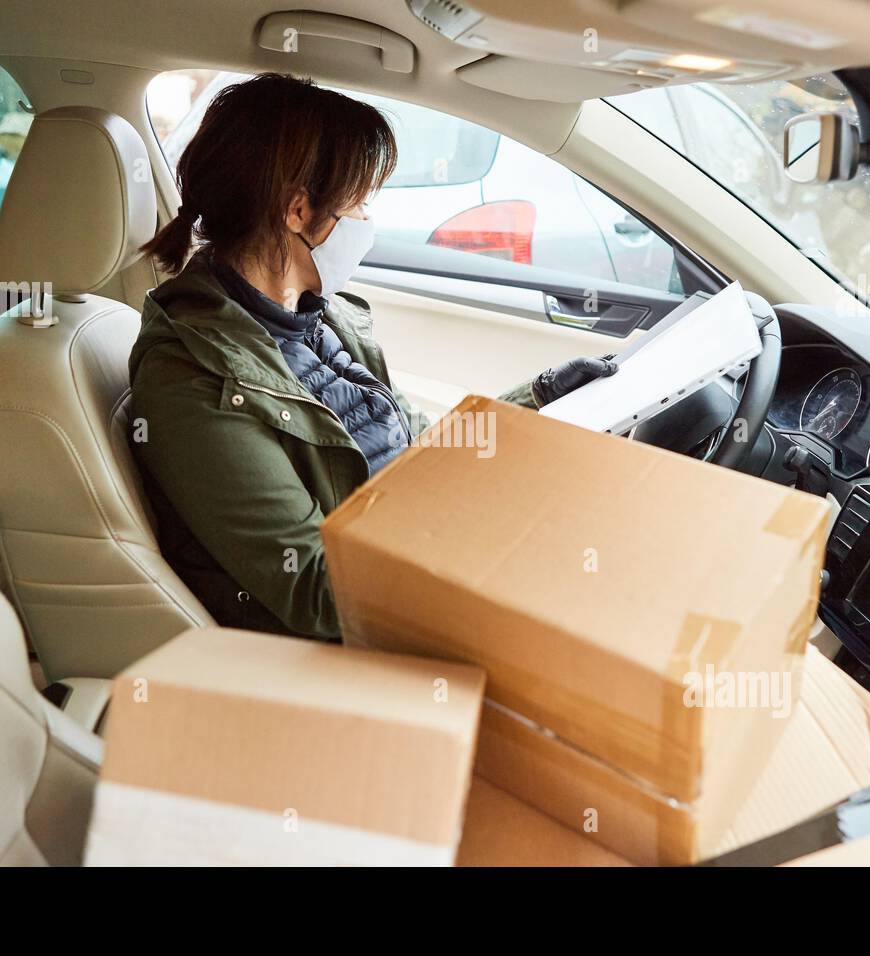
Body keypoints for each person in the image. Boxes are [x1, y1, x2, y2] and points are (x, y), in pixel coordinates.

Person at [130, 73, 616, 640]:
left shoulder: (316, 318)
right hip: (350, 645)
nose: (367, 221)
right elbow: (315, 588)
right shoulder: (193, 377)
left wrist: (538, 399)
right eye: (359, 203)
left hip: (427, 553)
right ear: (297, 211)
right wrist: (494, 563)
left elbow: (416, 452)